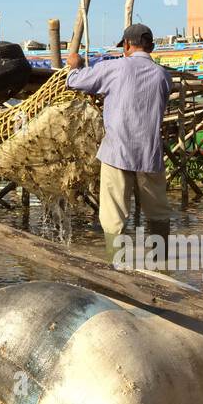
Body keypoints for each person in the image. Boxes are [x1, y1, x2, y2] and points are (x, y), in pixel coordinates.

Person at [65, 23, 172, 258]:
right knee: (158, 213)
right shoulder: (164, 76)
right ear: (151, 47)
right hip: (149, 154)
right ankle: (162, 267)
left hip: (118, 152)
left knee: (114, 217)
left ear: (126, 45)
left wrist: (75, 66)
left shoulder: (114, 68)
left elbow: (76, 81)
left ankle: (119, 271)